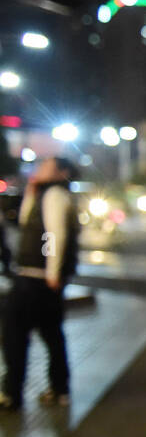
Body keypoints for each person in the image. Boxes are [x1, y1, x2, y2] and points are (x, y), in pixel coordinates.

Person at [1, 156, 80, 411]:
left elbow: (54, 234)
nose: (40, 169)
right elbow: (25, 223)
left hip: (36, 277)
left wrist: (52, 271)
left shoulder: (55, 194)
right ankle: (60, 389)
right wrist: (31, 192)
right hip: (38, 276)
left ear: (62, 172)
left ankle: (11, 393)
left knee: (14, 332)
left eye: (46, 166)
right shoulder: (44, 193)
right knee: (51, 333)